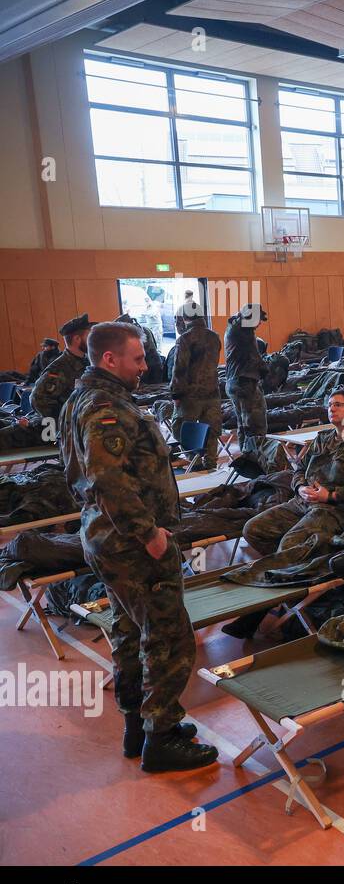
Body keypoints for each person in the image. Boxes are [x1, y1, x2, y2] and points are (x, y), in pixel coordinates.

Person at [60, 321, 218, 772]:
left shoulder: (85, 399)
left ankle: (139, 726)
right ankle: (162, 737)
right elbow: (107, 480)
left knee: (130, 633)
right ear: (110, 360)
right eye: (137, 358)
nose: (145, 366)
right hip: (130, 543)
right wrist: (148, 534)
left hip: (107, 538)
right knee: (170, 636)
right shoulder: (104, 408)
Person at [242, 388, 344, 556]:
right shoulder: (322, 439)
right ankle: (291, 563)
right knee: (252, 530)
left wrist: (330, 495)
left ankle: (292, 562)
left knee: (289, 545)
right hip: (303, 502)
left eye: (338, 405)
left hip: (335, 510)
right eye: (330, 405)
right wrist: (300, 487)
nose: (331, 409)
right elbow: (299, 469)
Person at [168, 314, 223, 470]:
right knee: (212, 431)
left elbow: (179, 369)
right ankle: (211, 464)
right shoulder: (214, 337)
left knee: (181, 429)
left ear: (185, 319)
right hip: (212, 392)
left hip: (189, 397)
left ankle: (195, 462)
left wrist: (176, 394)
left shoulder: (185, 339)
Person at [33, 313, 93, 426]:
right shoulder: (59, 368)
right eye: (88, 336)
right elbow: (37, 400)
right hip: (60, 429)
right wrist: (65, 420)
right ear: (77, 339)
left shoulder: (86, 362)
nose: (91, 340)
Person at [224, 303, 268, 452]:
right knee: (255, 425)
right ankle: (255, 459)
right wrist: (266, 371)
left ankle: (245, 456)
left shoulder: (234, 328)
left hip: (234, 382)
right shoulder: (244, 332)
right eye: (259, 319)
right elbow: (255, 358)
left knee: (243, 425)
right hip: (244, 382)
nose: (260, 323)